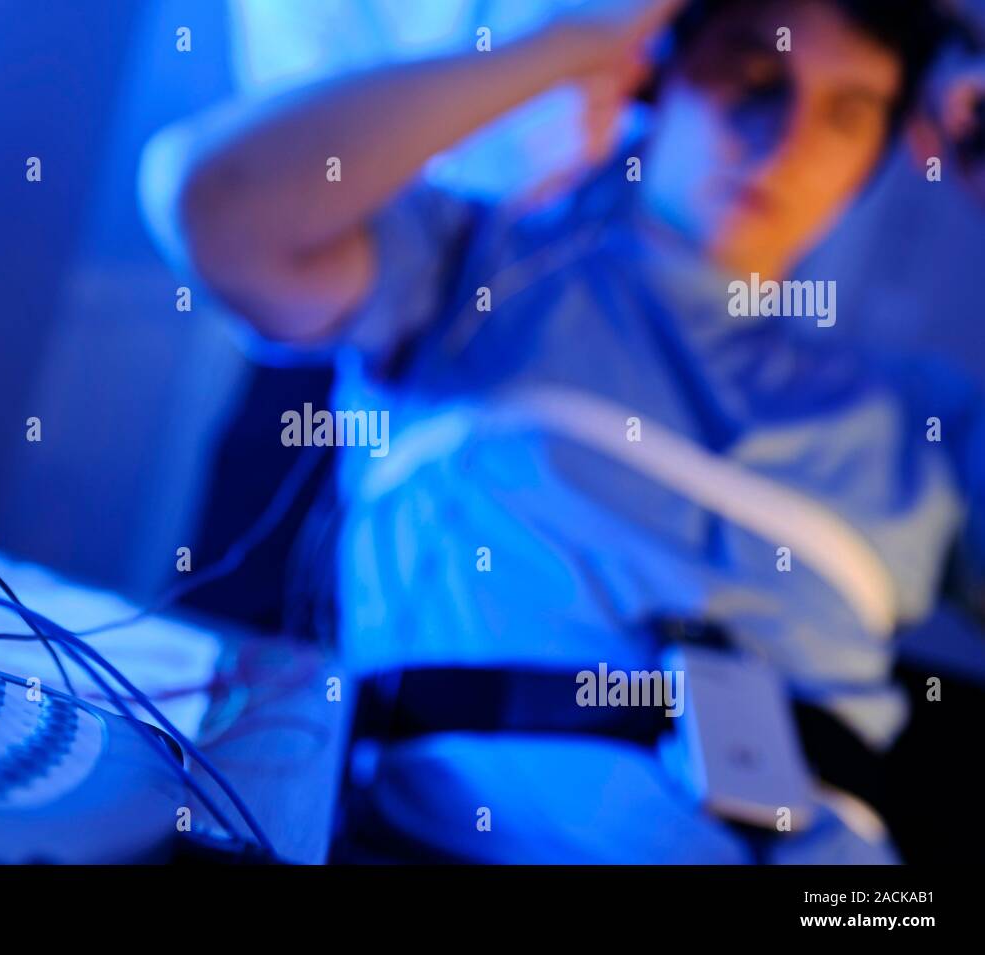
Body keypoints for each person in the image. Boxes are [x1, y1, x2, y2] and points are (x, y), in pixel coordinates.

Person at [142, 0, 985, 862]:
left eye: (847, 115)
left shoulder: (921, 423)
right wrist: (576, 41)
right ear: (657, 68)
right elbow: (213, 207)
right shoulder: (475, 270)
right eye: (753, 75)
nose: (783, 138)